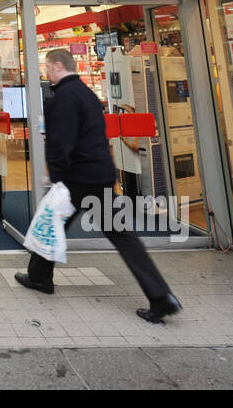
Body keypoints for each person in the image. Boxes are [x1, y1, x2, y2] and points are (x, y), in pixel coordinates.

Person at [15, 48, 183, 324]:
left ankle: (41, 278)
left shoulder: (62, 99)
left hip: (75, 180)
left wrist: (55, 176)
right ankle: (161, 297)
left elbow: (61, 143)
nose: (46, 71)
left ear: (58, 66)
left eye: (47, 66)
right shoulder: (88, 95)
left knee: (48, 222)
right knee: (123, 237)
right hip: (100, 176)